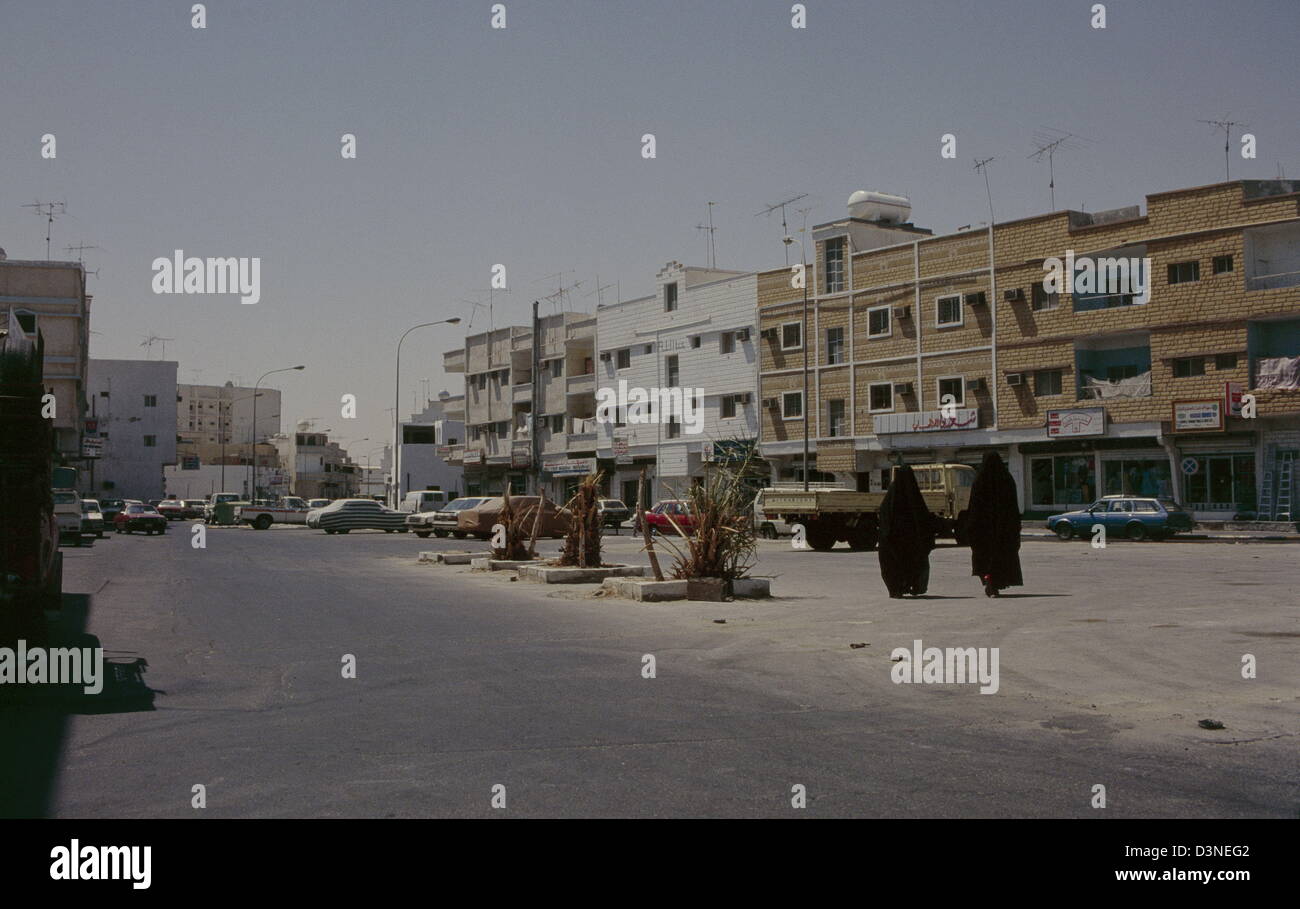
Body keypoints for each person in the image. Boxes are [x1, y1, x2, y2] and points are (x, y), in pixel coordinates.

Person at [967, 451, 1024, 597]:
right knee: (1001, 558)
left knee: (985, 558)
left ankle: (988, 579)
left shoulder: (979, 480)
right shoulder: (1006, 480)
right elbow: (1013, 508)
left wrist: (972, 528)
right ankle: (996, 582)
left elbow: (973, 508)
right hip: (1003, 530)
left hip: (983, 531)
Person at [877, 463, 936, 598]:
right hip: (910, 541)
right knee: (913, 560)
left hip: (892, 539)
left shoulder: (890, 497)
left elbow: (884, 517)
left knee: (892, 563)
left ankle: (895, 589)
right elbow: (922, 518)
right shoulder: (913, 495)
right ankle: (911, 585)